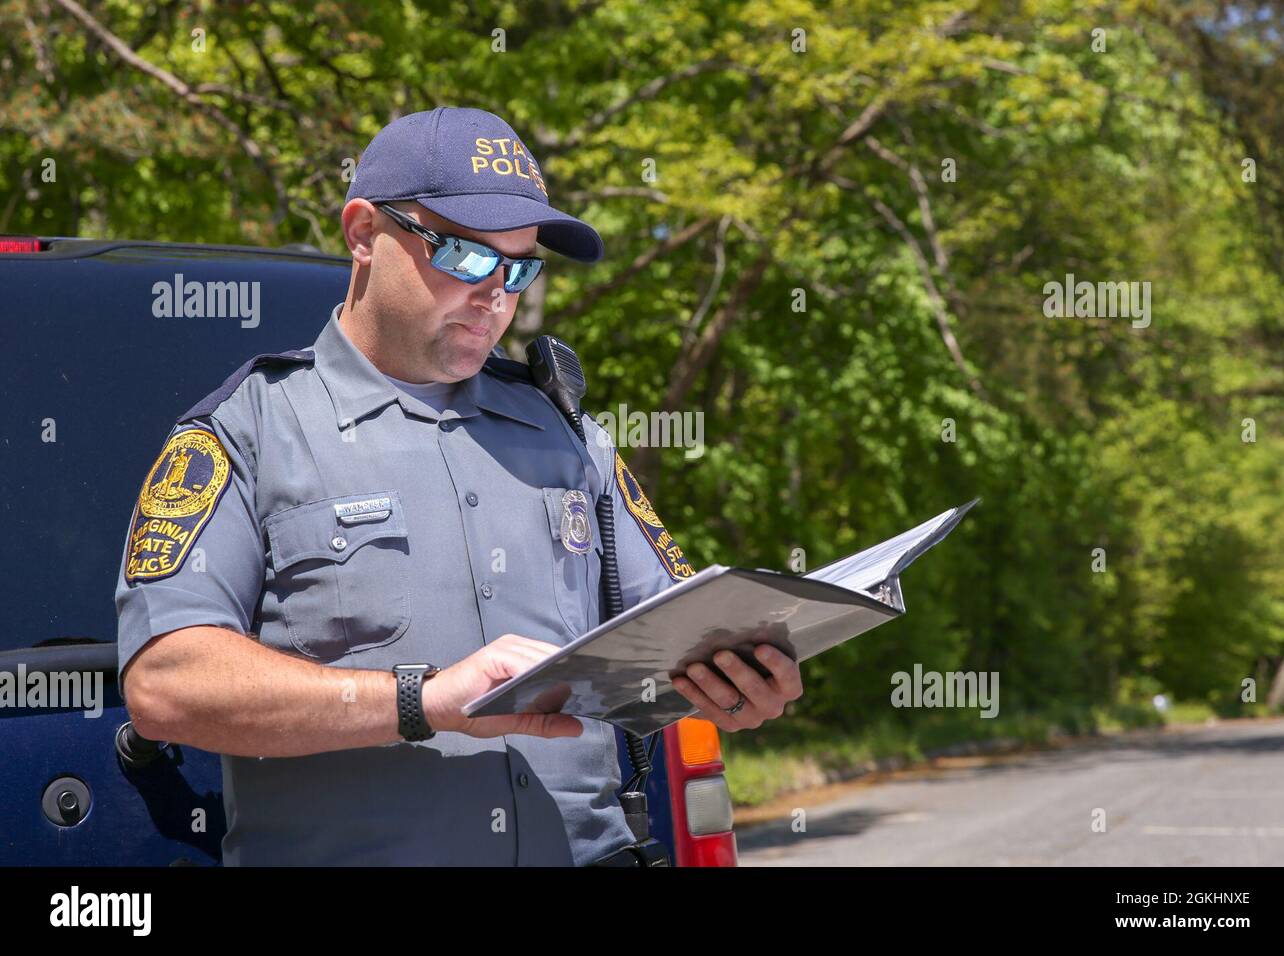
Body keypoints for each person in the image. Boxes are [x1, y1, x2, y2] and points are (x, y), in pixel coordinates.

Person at [115, 106, 803, 866]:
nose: (497, 298)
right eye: (469, 259)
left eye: (519, 268)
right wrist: (419, 700)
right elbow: (167, 680)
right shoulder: (243, 433)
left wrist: (736, 678)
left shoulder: (568, 432)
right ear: (362, 232)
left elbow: (676, 628)